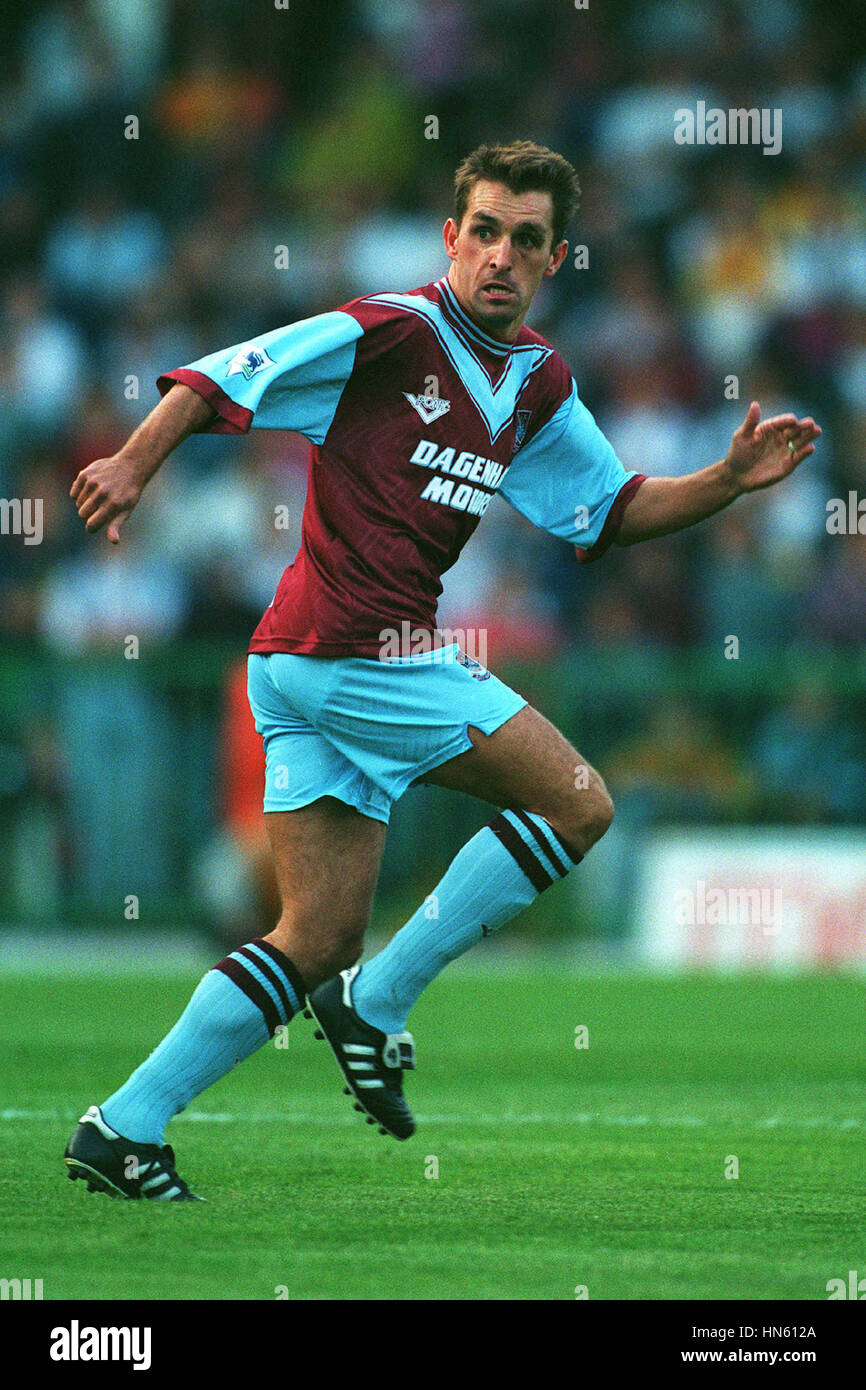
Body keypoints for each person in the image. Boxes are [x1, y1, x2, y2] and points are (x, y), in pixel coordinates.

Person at [63, 141, 820, 1201]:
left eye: (525, 238)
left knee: (315, 933)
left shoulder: (535, 381)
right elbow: (217, 378)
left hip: (303, 665)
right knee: (577, 805)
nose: (499, 254)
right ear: (449, 235)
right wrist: (132, 461)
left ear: (553, 257)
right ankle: (379, 1003)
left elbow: (606, 511)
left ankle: (124, 1128)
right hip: (351, 648)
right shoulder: (390, 331)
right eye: (483, 229)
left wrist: (726, 480)